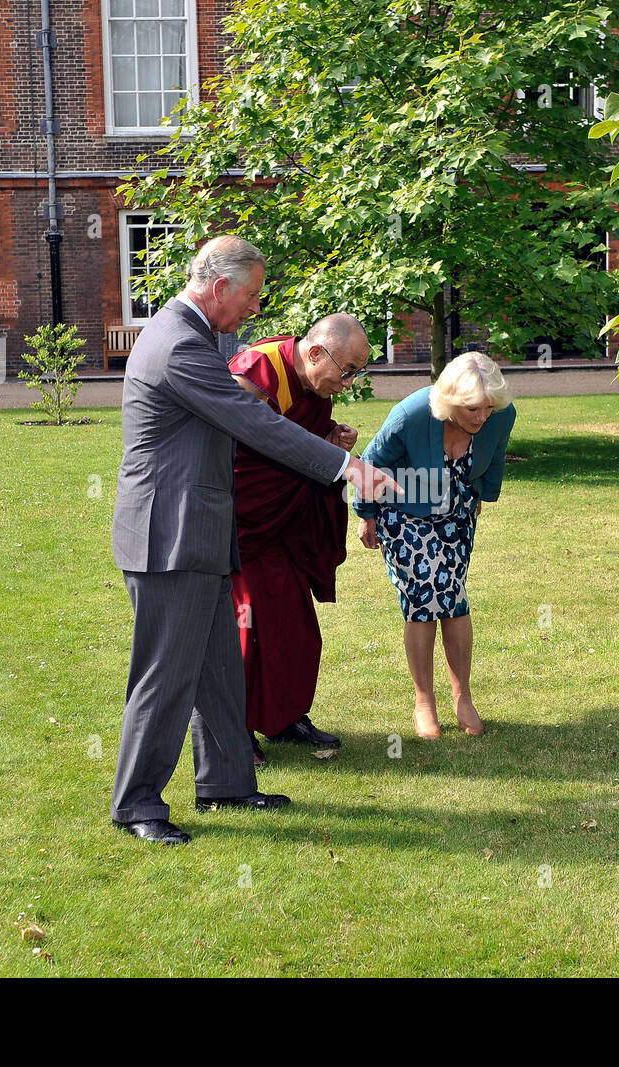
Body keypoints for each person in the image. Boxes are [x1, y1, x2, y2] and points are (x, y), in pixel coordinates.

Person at [110, 235, 398, 846]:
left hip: (202, 531)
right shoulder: (177, 345)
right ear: (219, 288)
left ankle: (227, 783)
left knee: (218, 667)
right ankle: (137, 804)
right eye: (251, 296)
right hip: (169, 536)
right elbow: (255, 422)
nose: (255, 309)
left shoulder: (200, 337)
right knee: (165, 676)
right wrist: (350, 468)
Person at [228, 314, 371, 767]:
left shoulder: (309, 385)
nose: (346, 384)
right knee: (245, 631)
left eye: (355, 374)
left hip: (283, 524)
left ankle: (285, 717)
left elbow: (295, 441)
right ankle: (235, 729)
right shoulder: (257, 371)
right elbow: (239, 444)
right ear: (314, 353)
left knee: (295, 629)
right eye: (346, 371)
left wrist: (330, 439)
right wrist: (326, 454)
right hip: (242, 524)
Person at [354, 352, 516, 740]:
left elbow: (493, 460)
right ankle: (424, 700)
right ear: (450, 401)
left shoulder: (501, 414)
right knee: (424, 597)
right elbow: (370, 462)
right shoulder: (411, 414)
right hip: (403, 508)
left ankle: (463, 697)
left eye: (487, 408)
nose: (481, 417)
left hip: (457, 511)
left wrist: (481, 496)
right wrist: (365, 514)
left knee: (454, 595)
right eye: (472, 409)